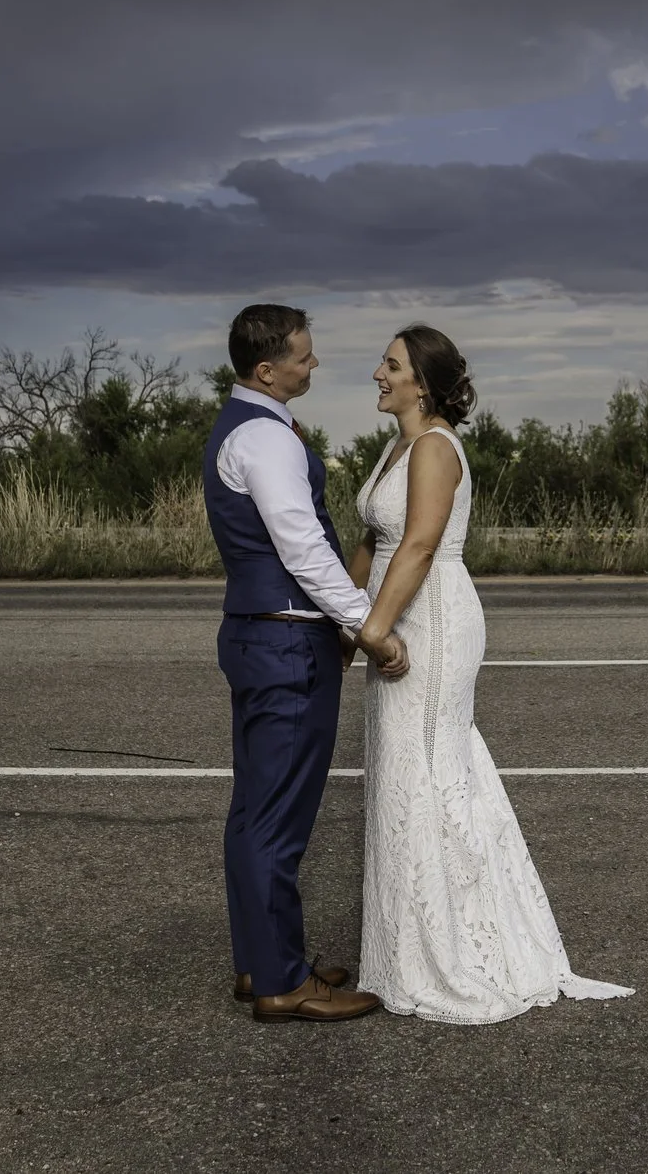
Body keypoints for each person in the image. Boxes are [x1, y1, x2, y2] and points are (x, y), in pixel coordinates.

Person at [346, 324, 634, 1023]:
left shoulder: (437, 447)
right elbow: (371, 541)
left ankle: (458, 952)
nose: (377, 374)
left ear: (423, 380)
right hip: (393, 608)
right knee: (402, 772)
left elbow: (417, 544)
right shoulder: (398, 445)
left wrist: (375, 627)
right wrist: (339, 619)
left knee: (429, 771)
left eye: (391, 365)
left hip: (431, 617)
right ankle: (402, 950)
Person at [205, 303, 400, 1023]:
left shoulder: (246, 427)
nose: (314, 364)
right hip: (286, 641)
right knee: (276, 820)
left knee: (255, 811)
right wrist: (366, 625)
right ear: (267, 368)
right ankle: (284, 980)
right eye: (304, 356)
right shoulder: (265, 437)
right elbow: (304, 547)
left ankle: (264, 961)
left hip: (260, 634)